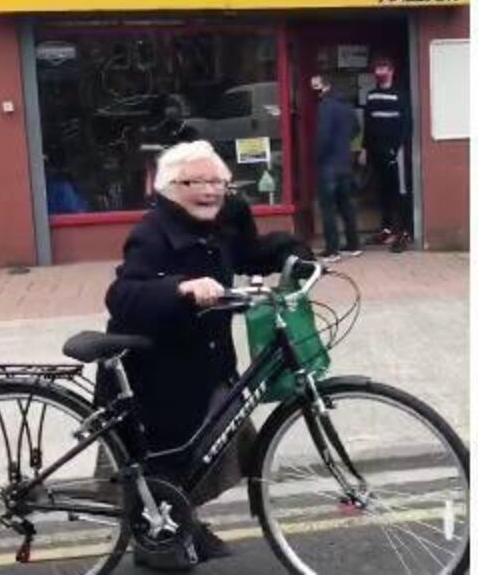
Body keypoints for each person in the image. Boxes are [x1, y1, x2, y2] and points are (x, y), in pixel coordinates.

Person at [103, 141, 310, 570]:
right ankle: (158, 537)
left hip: (206, 359)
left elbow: (249, 254)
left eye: (218, 181)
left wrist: (290, 251)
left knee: (205, 451)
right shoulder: (150, 232)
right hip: (154, 370)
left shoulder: (227, 217)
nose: (212, 191)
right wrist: (180, 288)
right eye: (198, 182)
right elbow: (122, 296)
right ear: (169, 187)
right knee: (169, 458)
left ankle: (181, 522)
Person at [361, 57, 414, 253]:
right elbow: (368, 124)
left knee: (401, 192)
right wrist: (365, 149)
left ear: (391, 71)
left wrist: (398, 148)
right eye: (377, 68)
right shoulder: (372, 96)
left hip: (396, 154)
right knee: (383, 192)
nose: (379, 72)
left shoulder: (401, 96)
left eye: (382, 68)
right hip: (377, 153)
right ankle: (387, 230)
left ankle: (404, 232)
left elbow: (407, 125)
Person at [310, 74, 362, 262]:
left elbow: (323, 136)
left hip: (328, 165)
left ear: (326, 86)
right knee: (346, 205)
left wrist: (317, 156)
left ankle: (332, 250)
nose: (314, 90)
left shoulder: (325, 106)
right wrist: (343, 143)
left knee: (328, 208)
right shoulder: (346, 105)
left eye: (316, 86)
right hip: (344, 163)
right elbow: (356, 128)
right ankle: (353, 244)